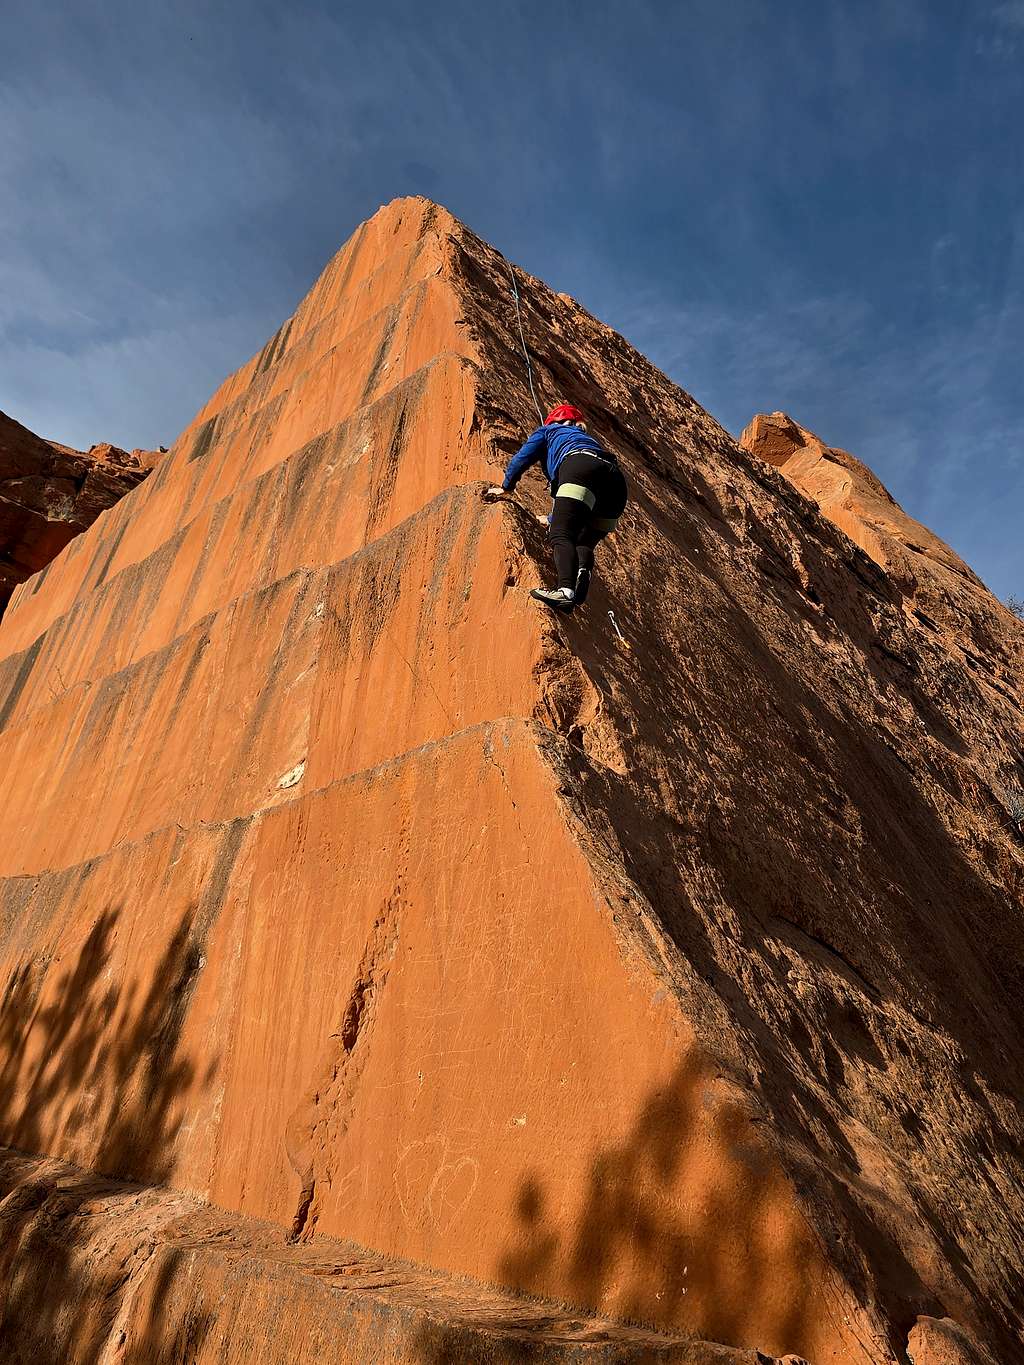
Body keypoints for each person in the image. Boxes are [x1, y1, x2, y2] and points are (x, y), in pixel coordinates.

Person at [484, 404, 628, 613]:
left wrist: (506, 488)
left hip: (580, 467)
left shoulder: (548, 431)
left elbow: (521, 458)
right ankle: (581, 573)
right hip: (615, 483)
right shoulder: (586, 438)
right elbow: (577, 509)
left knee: (561, 534)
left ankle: (565, 592)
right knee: (584, 540)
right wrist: (552, 517)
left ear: (552, 421)